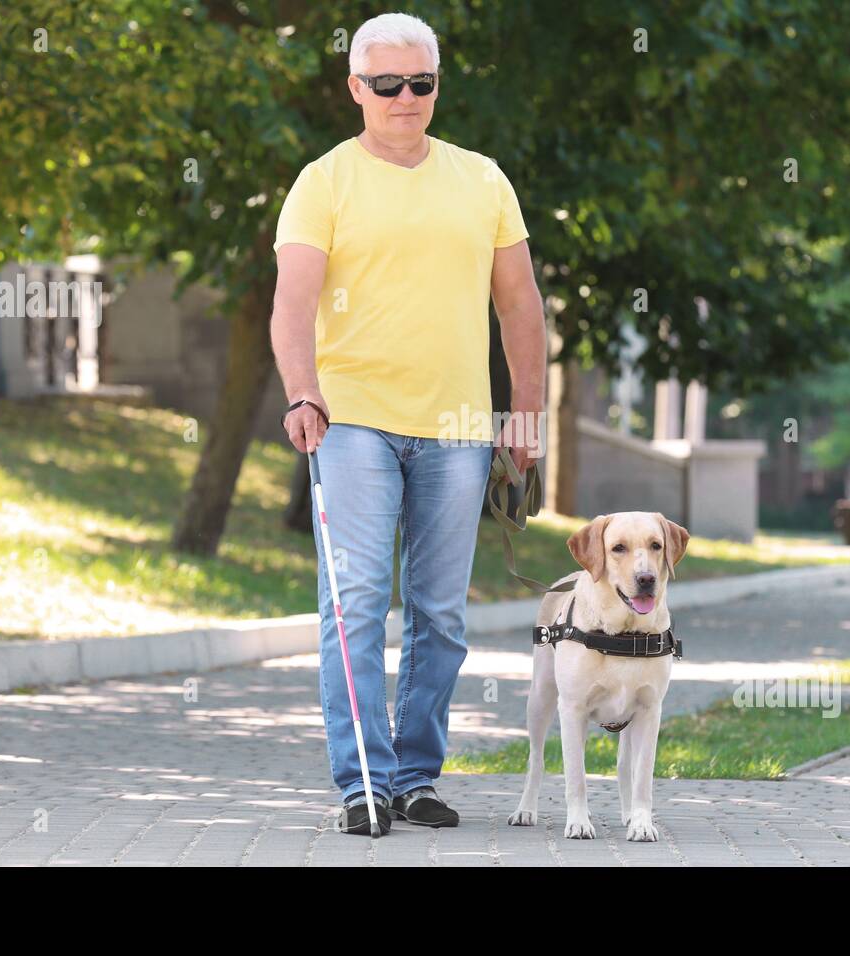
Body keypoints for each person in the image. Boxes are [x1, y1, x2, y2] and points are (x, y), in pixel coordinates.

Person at [270, 11, 547, 836]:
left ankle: (416, 777)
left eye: (418, 83)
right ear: (356, 87)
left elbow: (520, 305)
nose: (403, 98)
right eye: (385, 84)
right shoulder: (324, 181)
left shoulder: (483, 179)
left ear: (435, 86)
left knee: (439, 611)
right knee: (355, 603)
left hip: (459, 427)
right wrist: (302, 392)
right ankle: (362, 783)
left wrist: (525, 415)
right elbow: (292, 306)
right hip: (349, 422)